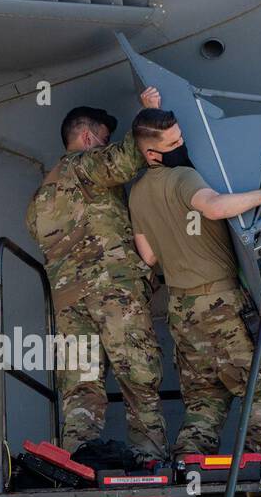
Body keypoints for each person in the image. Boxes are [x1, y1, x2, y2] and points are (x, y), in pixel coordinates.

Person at [126, 107, 261, 458]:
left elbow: (148, 256)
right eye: (173, 141)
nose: (181, 144)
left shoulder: (136, 193)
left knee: (205, 399)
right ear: (151, 153)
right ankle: (257, 465)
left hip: (181, 311)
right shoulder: (183, 177)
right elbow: (216, 207)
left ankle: (189, 466)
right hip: (219, 302)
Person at [24, 89, 167, 463]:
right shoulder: (83, 164)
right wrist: (150, 115)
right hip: (111, 290)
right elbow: (122, 161)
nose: (104, 144)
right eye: (103, 137)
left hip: (68, 302)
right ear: (88, 138)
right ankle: (148, 456)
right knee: (138, 373)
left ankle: (75, 458)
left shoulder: (42, 195)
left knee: (79, 384)